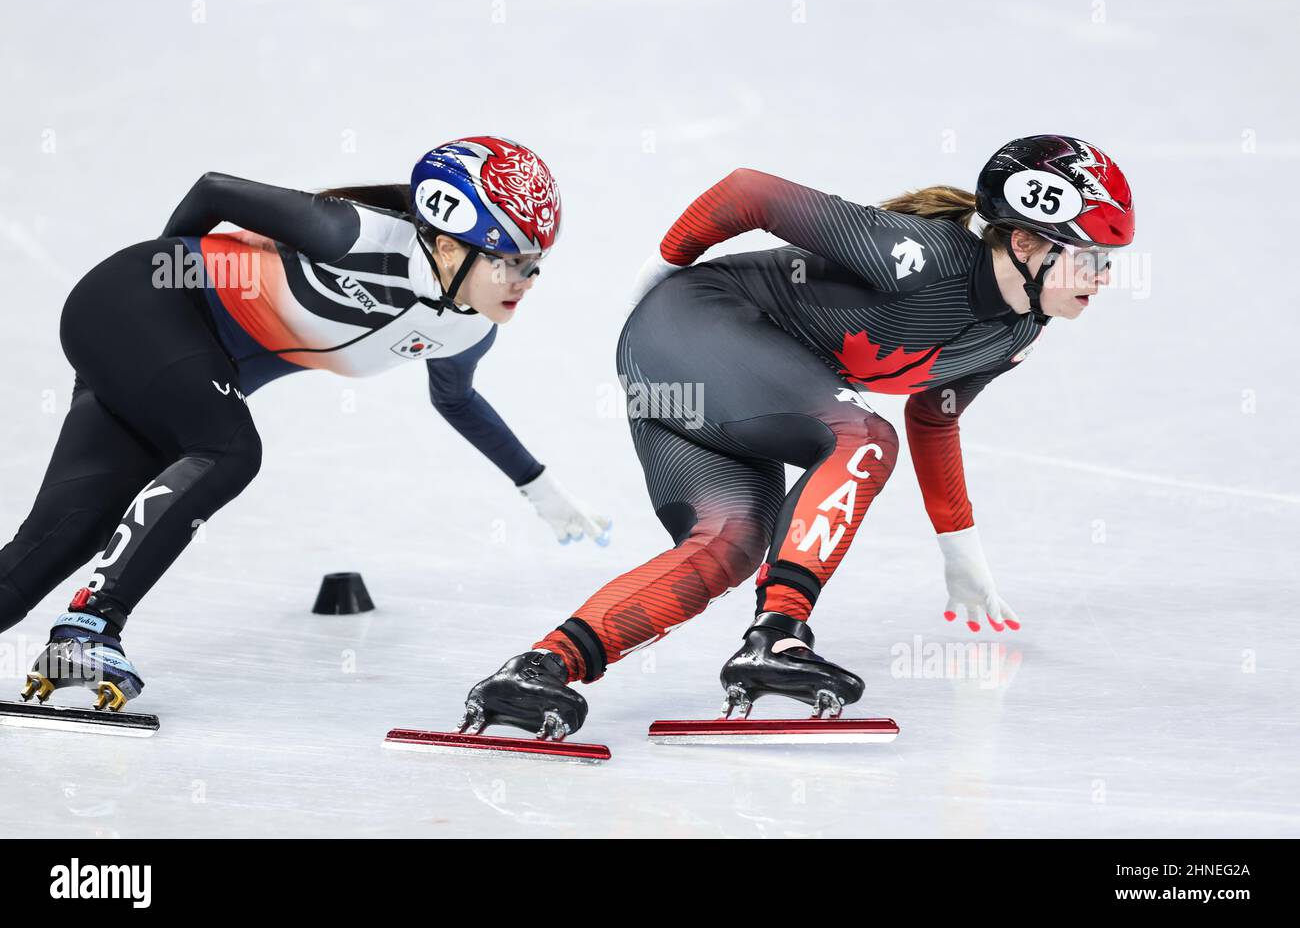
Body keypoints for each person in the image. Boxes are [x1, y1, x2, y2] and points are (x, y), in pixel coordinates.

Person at [456, 135, 1135, 741]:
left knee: (728, 546)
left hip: (724, 386)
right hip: (693, 327)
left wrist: (960, 552)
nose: (1105, 279)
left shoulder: (1015, 335)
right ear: (1025, 243)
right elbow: (750, 192)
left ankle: (539, 668)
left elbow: (934, 416)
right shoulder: (923, 256)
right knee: (861, 436)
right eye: (1092, 257)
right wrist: (659, 272)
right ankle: (777, 638)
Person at [0, 135, 610, 712]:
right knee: (230, 450)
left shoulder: (469, 327)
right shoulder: (355, 233)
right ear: (448, 245)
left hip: (177, 365)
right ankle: (88, 630)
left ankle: (72, 628)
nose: (526, 282)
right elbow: (213, 189)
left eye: (537, 264)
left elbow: (457, 403)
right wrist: (165, 283)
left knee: (61, 537)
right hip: (137, 302)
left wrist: (540, 488)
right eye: (510, 261)